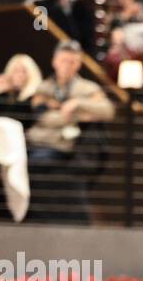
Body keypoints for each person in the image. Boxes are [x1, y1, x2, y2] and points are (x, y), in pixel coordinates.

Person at [26, 41, 115, 222]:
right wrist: (77, 116)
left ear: (79, 64)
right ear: (54, 61)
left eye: (72, 61)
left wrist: (76, 104)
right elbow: (42, 116)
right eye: (63, 60)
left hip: (65, 147)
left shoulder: (88, 88)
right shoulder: (43, 87)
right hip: (39, 143)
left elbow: (107, 110)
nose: (67, 65)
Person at [0, 53, 44, 129]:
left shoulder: (34, 96)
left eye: (23, 71)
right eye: (15, 71)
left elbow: (19, 122)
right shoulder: (8, 95)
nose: (19, 75)